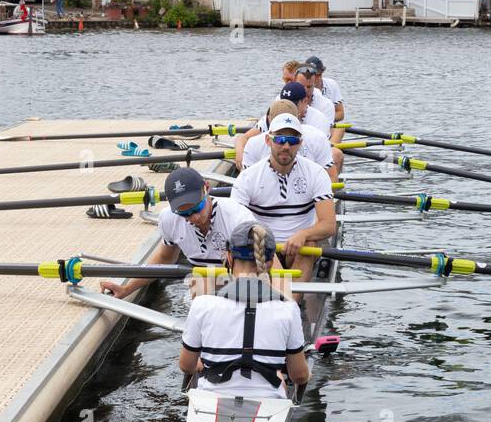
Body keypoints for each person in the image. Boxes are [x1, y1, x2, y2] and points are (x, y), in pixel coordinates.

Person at [179, 222, 310, 401]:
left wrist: (201, 364)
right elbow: (299, 376)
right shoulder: (289, 309)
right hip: (269, 401)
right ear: (270, 263)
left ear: (229, 257)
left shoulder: (202, 303)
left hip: (209, 399)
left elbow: (186, 366)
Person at [99, 167, 261, 299]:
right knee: (200, 284)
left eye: (197, 208)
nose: (194, 217)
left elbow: (266, 262)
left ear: (207, 188)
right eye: (185, 214)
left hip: (244, 281)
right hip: (205, 283)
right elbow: (164, 259)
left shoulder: (238, 218)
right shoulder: (168, 218)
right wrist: (127, 289)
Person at [230, 113, 337, 284]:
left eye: (292, 140)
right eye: (280, 140)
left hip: (297, 249)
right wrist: (265, 246)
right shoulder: (248, 177)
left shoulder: (316, 173)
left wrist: (303, 234)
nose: (286, 146)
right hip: (260, 248)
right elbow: (233, 224)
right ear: (268, 141)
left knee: (309, 245)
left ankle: (291, 305)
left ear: (300, 143)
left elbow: (329, 225)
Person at [239, 99, 337, 182]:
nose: (286, 146)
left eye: (292, 140)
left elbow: (332, 178)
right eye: (280, 137)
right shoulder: (254, 144)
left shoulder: (317, 138)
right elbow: (245, 183)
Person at [304, 55, 344, 123]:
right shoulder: (301, 87)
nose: (316, 78)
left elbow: (340, 114)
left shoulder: (332, 84)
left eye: (318, 75)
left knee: (340, 129)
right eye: (312, 75)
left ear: (322, 72)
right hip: (307, 125)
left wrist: (322, 120)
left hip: (327, 125)